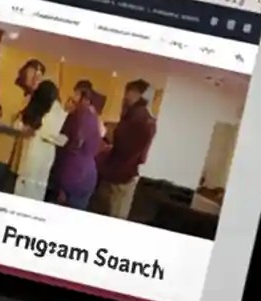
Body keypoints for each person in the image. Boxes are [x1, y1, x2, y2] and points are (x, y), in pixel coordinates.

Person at [94, 79, 157, 219]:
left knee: (112, 214)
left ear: (136, 93)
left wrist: (109, 138)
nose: (125, 97)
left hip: (120, 175)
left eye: (127, 93)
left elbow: (122, 145)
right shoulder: (148, 119)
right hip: (128, 173)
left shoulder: (135, 117)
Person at [48, 80, 103, 209]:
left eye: (76, 93)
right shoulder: (94, 118)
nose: (72, 97)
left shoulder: (78, 115)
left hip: (72, 176)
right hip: (88, 176)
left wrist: (62, 184)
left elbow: (72, 146)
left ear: (82, 97)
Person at [12, 80, 68, 200]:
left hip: (29, 155)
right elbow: (62, 137)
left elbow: (17, 126)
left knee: (22, 190)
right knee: (36, 191)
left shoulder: (33, 108)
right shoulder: (56, 112)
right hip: (44, 156)